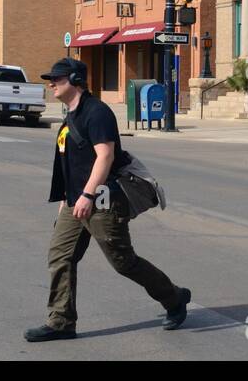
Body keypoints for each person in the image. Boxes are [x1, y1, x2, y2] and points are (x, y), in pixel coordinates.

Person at [24, 58, 190, 343]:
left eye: (57, 78)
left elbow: (105, 156)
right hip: (76, 201)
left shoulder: (96, 112)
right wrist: (67, 196)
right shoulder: (71, 114)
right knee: (60, 256)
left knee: (123, 262)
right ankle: (61, 321)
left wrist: (88, 194)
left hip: (101, 200)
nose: (51, 83)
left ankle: (174, 298)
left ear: (75, 80)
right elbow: (74, 162)